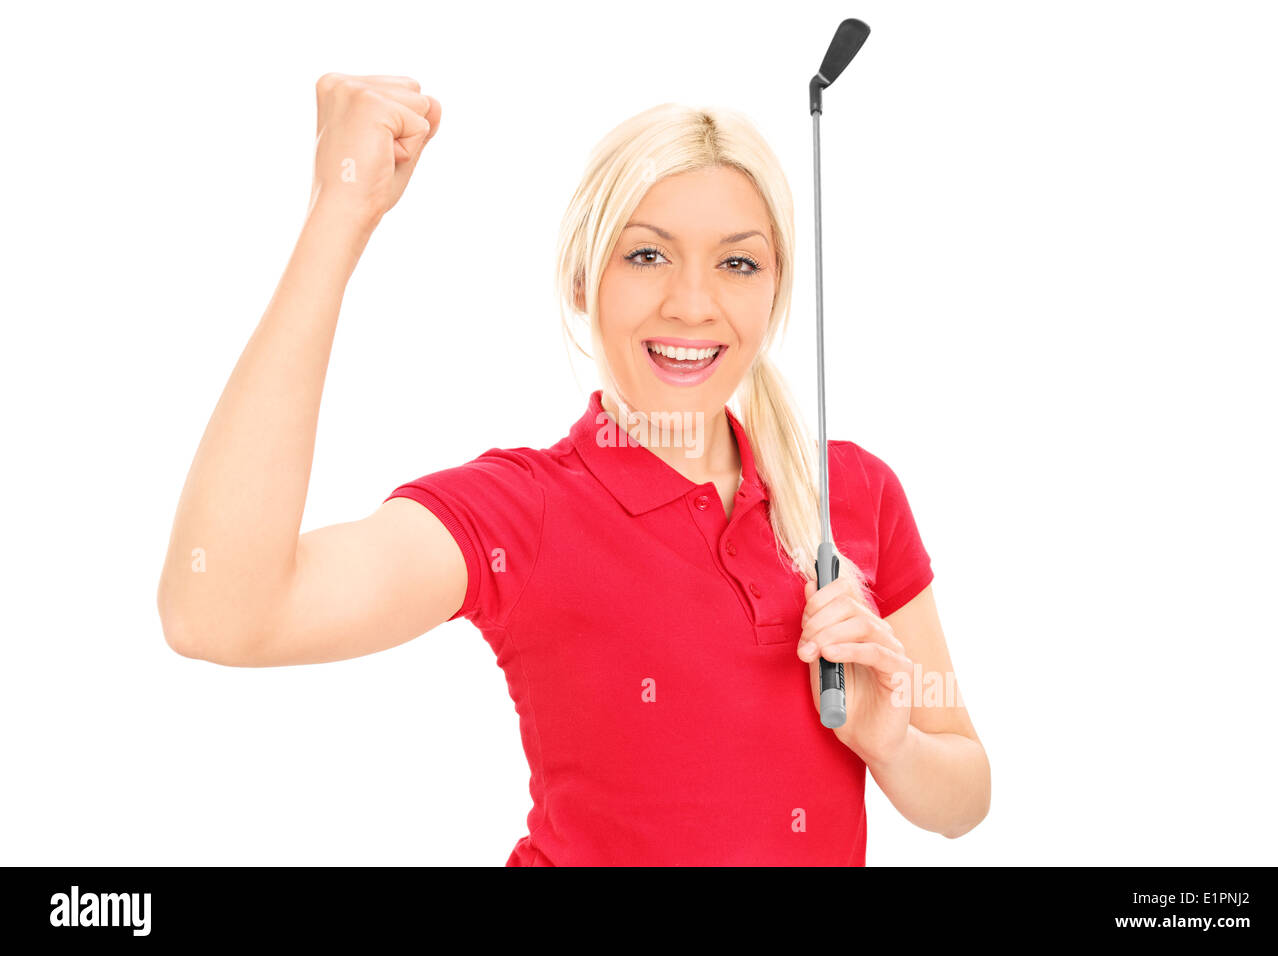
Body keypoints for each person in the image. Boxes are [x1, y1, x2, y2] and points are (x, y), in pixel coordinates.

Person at [157, 73, 990, 866]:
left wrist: (889, 740)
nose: (693, 303)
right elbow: (219, 614)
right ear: (582, 281)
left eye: (738, 262)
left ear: (775, 288)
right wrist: (339, 214)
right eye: (647, 256)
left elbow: (965, 796)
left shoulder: (854, 493)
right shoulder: (521, 514)